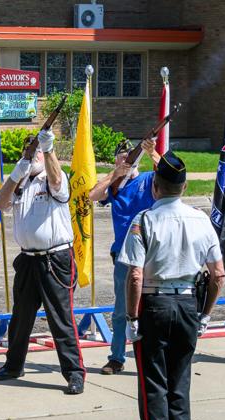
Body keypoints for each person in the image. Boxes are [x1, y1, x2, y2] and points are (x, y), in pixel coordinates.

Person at [119, 151, 225, 420]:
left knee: (154, 383)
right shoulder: (201, 219)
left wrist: (131, 317)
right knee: (180, 381)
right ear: (185, 186)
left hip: (154, 303)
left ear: (155, 187)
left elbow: (135, 275)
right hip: (188, 302)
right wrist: (205, 315)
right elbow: (218, 274)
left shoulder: (145, 220)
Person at [0, 129, 86, 394]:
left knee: (61, 318)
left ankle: (74, 373)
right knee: (20, 318)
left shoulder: (53, 178)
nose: (32, 155)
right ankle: (13, 365)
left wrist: (50, 148)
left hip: (54, 259)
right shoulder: (21, 182)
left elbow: (58, 183)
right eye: (28, 151)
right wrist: (17, 171)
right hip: (28, 259)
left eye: (36, 152)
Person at [89, 138, 159, 375]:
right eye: (122, 155)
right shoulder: (116, 184)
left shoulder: (147, 179)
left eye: (130, 154)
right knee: (121, 309)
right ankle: (116, 357)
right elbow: (93, 195)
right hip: (123, 254)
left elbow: (170, 180)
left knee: (151, 308)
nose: (127, 157)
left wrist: (154, 154)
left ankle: (151, 357)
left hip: (150, 253)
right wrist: (115, 173)